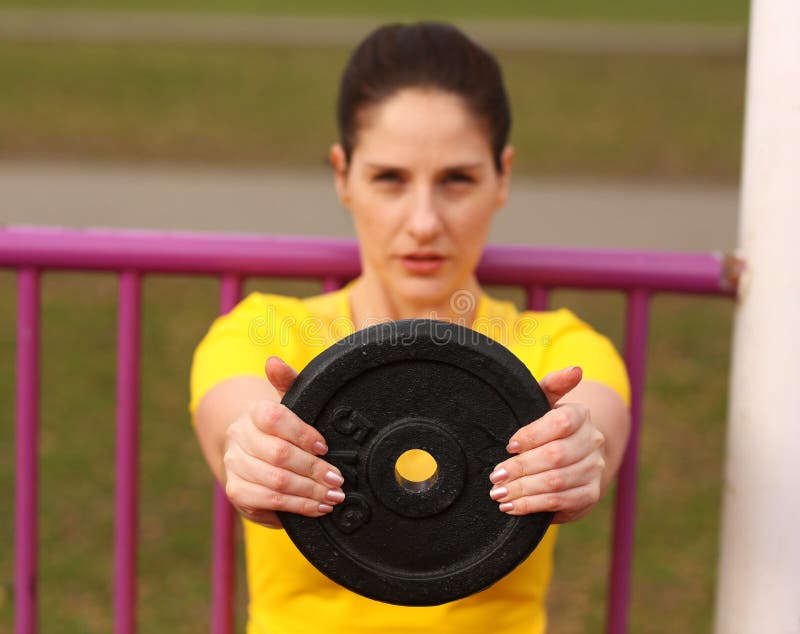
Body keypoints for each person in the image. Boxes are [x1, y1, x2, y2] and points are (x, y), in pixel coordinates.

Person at [190, 22, 630, 634]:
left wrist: (580, 453)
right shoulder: (262, 333)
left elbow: (597, 427)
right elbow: (233, 426)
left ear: (502, 177)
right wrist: (254, 452)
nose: (424, 222)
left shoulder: (557, 349)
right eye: (390, 179)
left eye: (457, 180)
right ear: (342, 175)